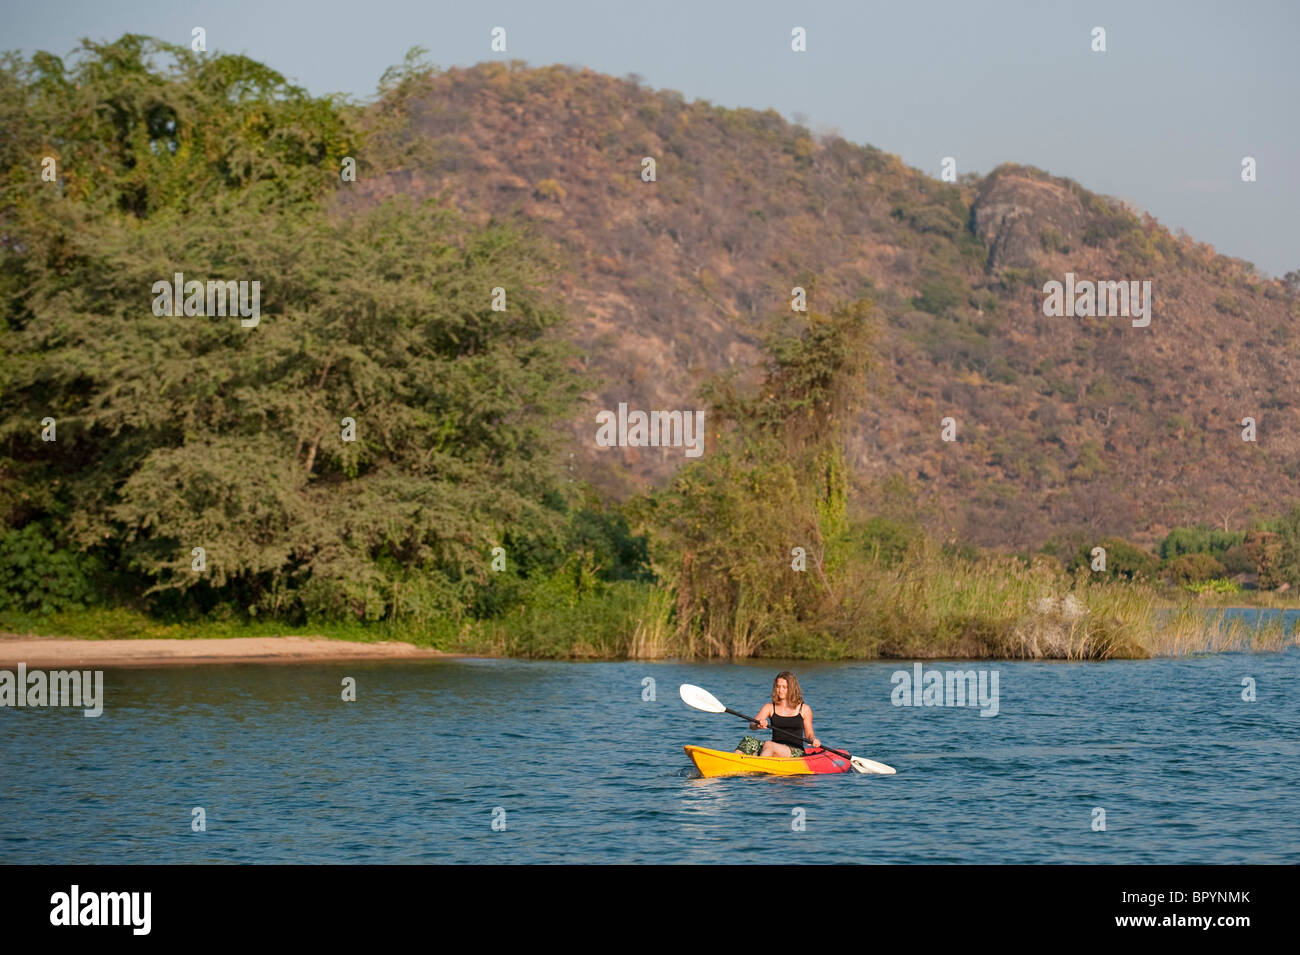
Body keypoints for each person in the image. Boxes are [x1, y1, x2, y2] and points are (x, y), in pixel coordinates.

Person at [734, 671, 820, 758]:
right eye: (778, 687)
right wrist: (758, 724)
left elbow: (809, 734)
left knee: (769, 745)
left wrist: (813, 740)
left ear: (792, 688)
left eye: (784, 687)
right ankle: (733, 762)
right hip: (772, 747)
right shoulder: (769, 707)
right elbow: (752, 725)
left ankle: (759, 768)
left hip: (795, 751)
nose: (780, 690)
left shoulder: (804, 709)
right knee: (747, 740)